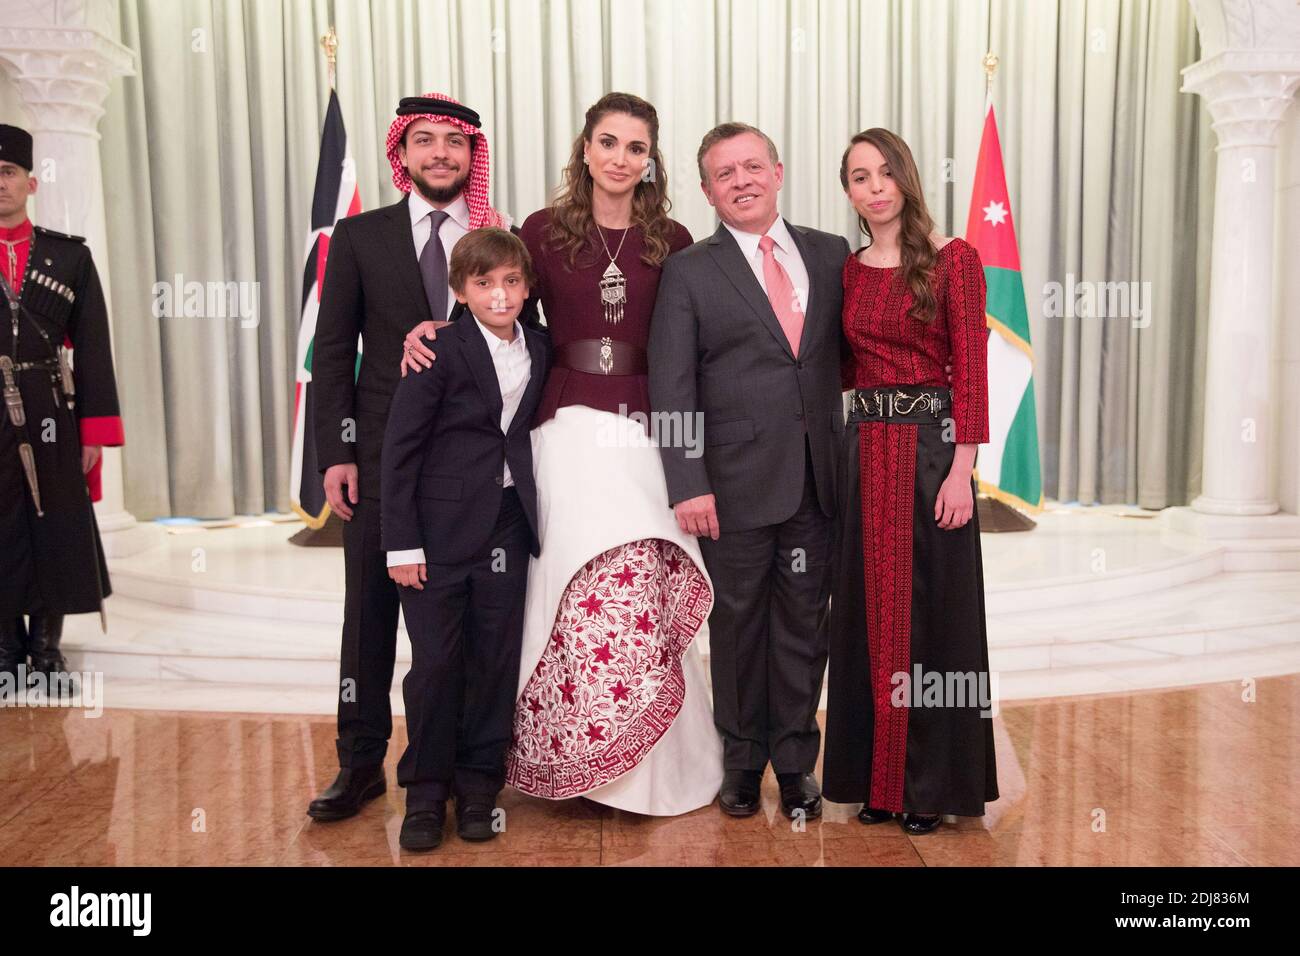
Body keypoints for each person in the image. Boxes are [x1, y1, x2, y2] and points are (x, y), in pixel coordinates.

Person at [403, 93, 722, 816]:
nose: (619, 158)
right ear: (585, 149)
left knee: (636, 595)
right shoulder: (543, 232)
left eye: (635, 148)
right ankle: (572, 763)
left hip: (645, 428)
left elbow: (687, 347)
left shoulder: (671, 237)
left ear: (650, 161)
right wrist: (436, 332)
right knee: (573, 597)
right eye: (607, 142)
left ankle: (648, 768)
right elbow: (495, 305)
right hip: (564, 426)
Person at [307, 94, 537, 823]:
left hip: (475, 475)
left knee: (461, 640)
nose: (441, 154)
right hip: (385, 459)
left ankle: (462, 779)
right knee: (369, 617)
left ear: (473, 156)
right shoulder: (360, 236)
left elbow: (522, 335)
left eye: (455, 144)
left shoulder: (499, 238)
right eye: (425, 142)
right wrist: (336, 450)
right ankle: (359, 763)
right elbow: (334, 351)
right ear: (401, 155)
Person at [647, 123, 851, 819]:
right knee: (736, 628)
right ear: (707, 191)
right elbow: (670, 385)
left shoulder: (830, 255)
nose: (742, 181)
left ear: (779, 170)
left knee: (803, 624)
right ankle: (740, 762)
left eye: (752, 166)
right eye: (725, 173)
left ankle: (796, 763)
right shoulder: (690, 271)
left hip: (819, 481)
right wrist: (687, 480)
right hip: (730, 488)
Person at [823, 128, 999, 834]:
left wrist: (964, 469)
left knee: (932, 619)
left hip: (932, 454)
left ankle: (931, 786)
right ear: (848, 192)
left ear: (907, 180)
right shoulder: (849, 270)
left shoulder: (952, 260)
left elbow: (973, 370)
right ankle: (879, 782)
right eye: (860, 176)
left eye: (886, 172)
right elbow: (840, 369)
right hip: (864, 455)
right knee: (867, 617)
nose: (875, 187)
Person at [382, 228, 550, 851]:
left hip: (508, 523)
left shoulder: (541, 345)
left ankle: (480, 786)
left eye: (510, 281)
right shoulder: (438, 349)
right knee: (436, 664)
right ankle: (425, 794)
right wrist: (402, 545)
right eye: (483, 283)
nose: (499, 294)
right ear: (460, 291)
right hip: (437, 532)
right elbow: (399, 451)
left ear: (527, 287)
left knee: (493, 660)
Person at [0, 123, 123, 691]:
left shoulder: (66, 256)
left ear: (31, 182)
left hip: (51, 409)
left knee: (55, 522)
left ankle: (46, 649)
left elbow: (93, 347)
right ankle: (6, 650)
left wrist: (94, 431)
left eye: (7, 173)